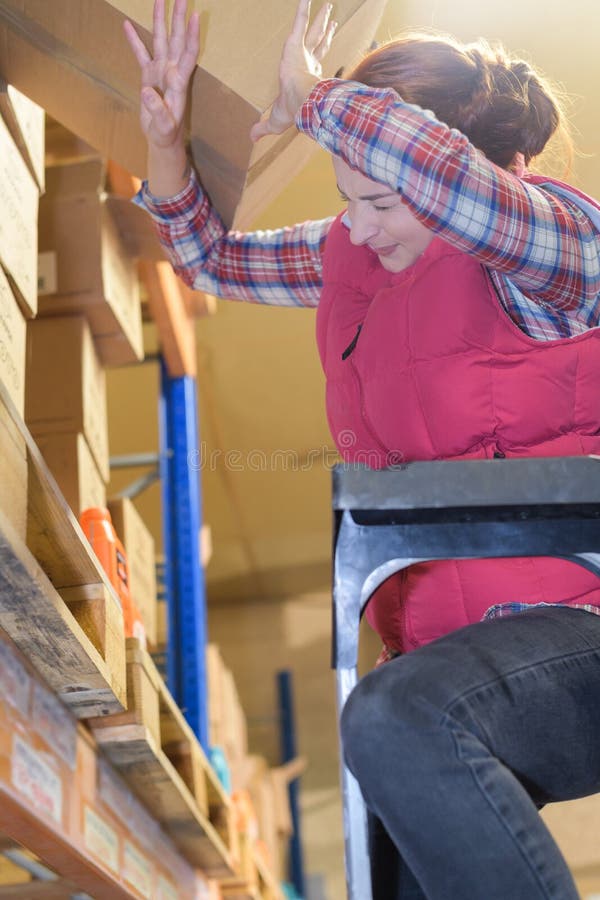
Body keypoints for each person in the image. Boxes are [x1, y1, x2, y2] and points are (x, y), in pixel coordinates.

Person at [125, 1, 600, 897]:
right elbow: (215, 262)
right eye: (347, 199)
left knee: (392, 721)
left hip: (581, 638)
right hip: (458, 674)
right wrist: (164, 141)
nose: (361, 225)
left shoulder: (556, 250)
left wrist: (316, 96)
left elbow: (453, 185)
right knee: (395, 820)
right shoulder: (362, 254)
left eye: (379, 200)